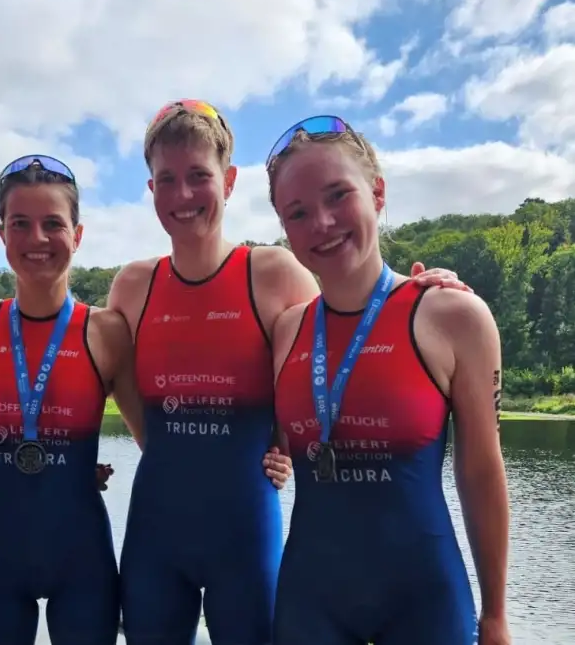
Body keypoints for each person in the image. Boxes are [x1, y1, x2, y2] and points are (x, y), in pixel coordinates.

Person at [107, 100, 468, 645]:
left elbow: (341, 340)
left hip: (244, 537)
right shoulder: (132, 287)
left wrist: (416, 290)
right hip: (155, 536)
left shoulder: (275, 273)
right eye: (167, 180)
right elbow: (124, 395)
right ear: (151, 188)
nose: (183, 194)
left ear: (229, 181)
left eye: (199, 176)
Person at [262, 115, 510, 645]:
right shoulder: (286, 330)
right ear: (284, 225)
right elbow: (266, 436)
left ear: (377, 193)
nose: (322, 222)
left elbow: (482, 473)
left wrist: (495, 616)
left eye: (338, 195)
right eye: (298, 212)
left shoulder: (454, 316)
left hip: (425, 602)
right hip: (312, 603)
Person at [0, 155, 137, 645]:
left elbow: (155, 439)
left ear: (77, 235)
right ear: (1, 234)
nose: (36, 238)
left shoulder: (108, 331)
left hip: (82, 561)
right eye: (20, 224)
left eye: (53, 224)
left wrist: (266, 448)